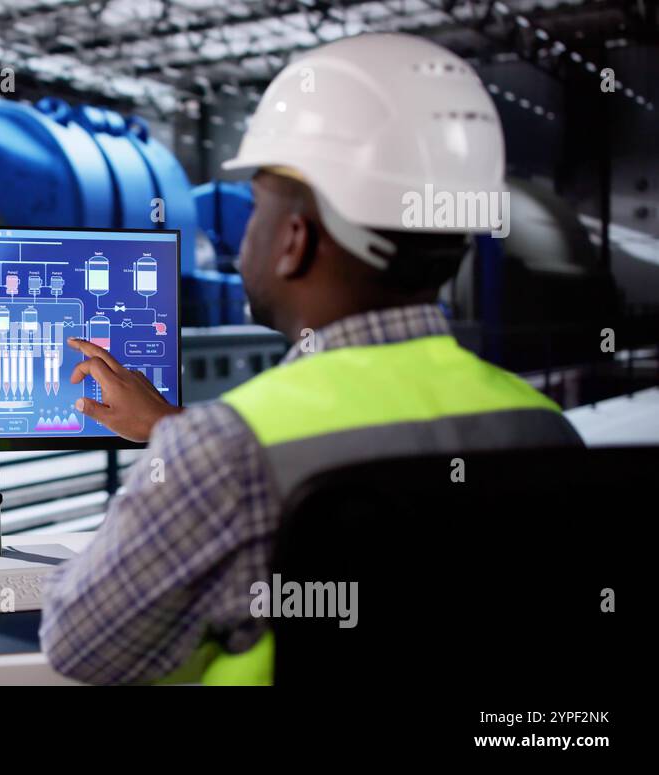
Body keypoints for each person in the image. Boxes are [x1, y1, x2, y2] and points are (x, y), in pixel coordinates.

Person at [38, 32, 583, 685]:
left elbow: (81, 643)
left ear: (294, 239)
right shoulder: (543, 426)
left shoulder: (226, 452)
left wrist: (179, 454)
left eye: (259, 206)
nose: (243, 235)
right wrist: (171, 432)